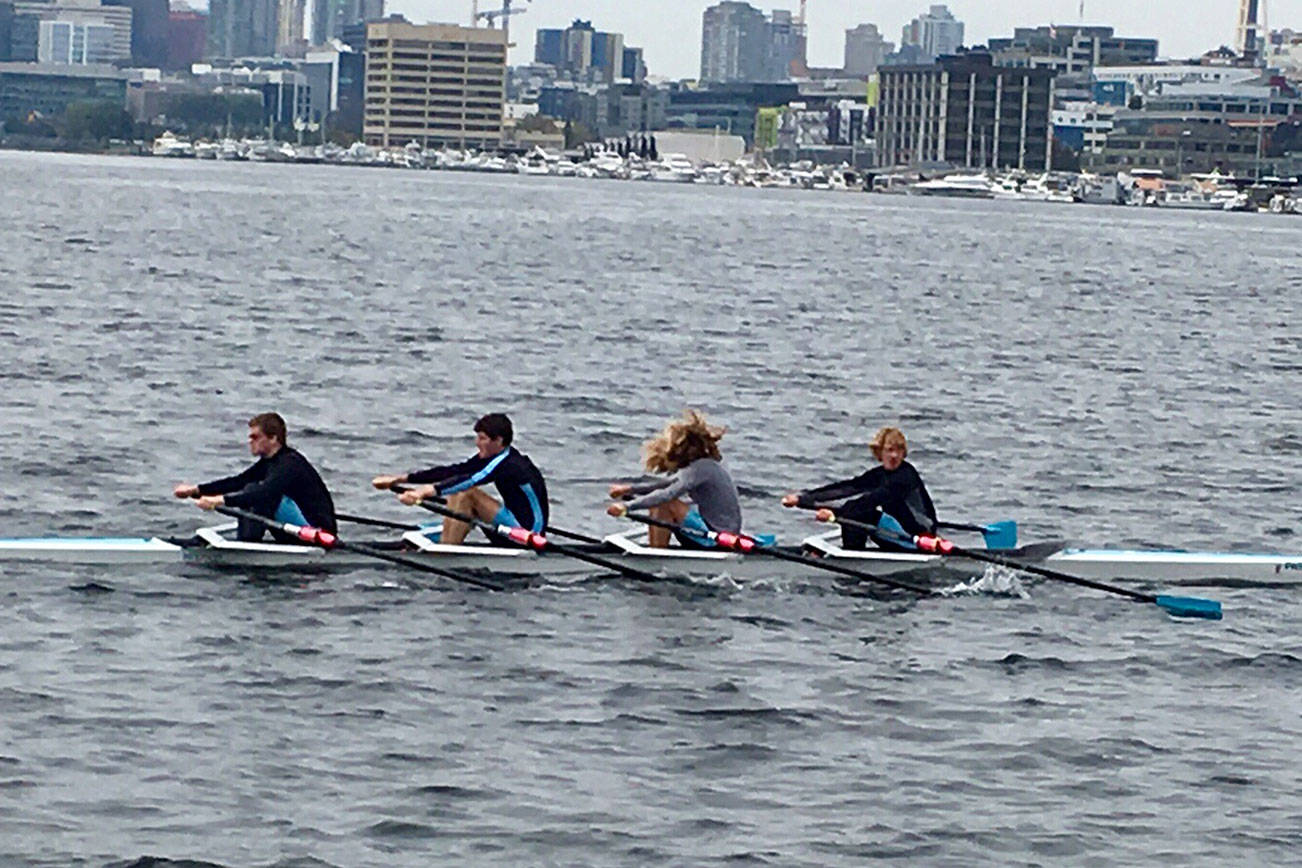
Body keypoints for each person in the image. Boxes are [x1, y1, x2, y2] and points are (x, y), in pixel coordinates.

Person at [371, 413, 548, 545]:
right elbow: (455, 472)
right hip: (509, 527)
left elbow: (472, 480)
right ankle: (446, 544)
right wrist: (400, 479)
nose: (477, 443)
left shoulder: (511, 464)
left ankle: (445, 552)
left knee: (465, 492)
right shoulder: (494, 457)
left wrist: (424, 492)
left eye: (482, 438)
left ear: (499, 440)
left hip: (529, 535)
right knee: (457, 489)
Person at [173, 412, 337, 542]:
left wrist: (220, 501)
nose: (250, 441)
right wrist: (196, 490)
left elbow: (263, 493)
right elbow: (238, 481)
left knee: (255, 492)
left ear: (273, 438)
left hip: (317, 532)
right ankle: (246, 542)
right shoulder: (269, 462)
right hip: (298, 525)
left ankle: (246, 545)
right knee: (249, 487)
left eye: (255, 437)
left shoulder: (290, 464)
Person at [781, 426, 936, 551]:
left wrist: (834, 513)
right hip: (899, 531)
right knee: (857, 513)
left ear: (904, 453)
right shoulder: (879, 474)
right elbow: (847, 488)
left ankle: (851, 558)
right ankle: (851, 554)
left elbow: (870, 500)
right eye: (889, 450)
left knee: (860, 514)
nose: (894, 455)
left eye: (899, 451)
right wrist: (802, 499)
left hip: (918, 536)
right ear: (879, 453)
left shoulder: (905, 476)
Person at [607, 409, 742, 549]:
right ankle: (655, 552)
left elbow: (668, 494)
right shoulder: (701, 467)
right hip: (715, 532)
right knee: (658, 502)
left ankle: (656, 558)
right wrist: (629, 489)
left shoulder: (701, 469)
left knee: (665, 503)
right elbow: (667, 484)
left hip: (719, 540)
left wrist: (627, 507)